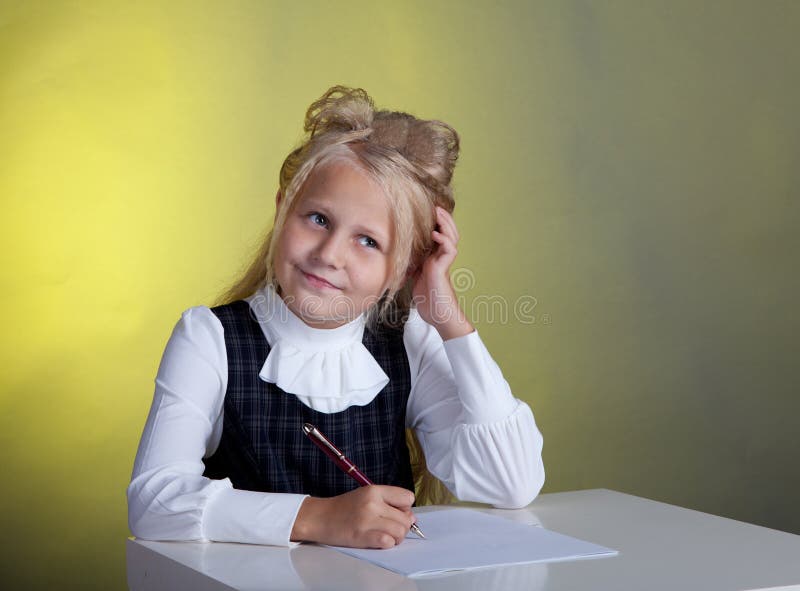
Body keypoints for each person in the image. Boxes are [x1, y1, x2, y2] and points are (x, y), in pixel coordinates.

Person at [127, 86, 545, 550]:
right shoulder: (209, 338)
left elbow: (513, 483)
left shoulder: (408, 342)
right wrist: (320, 517)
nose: (329, 255)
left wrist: (451, 324)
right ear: (283, 206)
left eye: (368, 241)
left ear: (405, 267)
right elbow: (154, 501)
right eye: (318, 219)